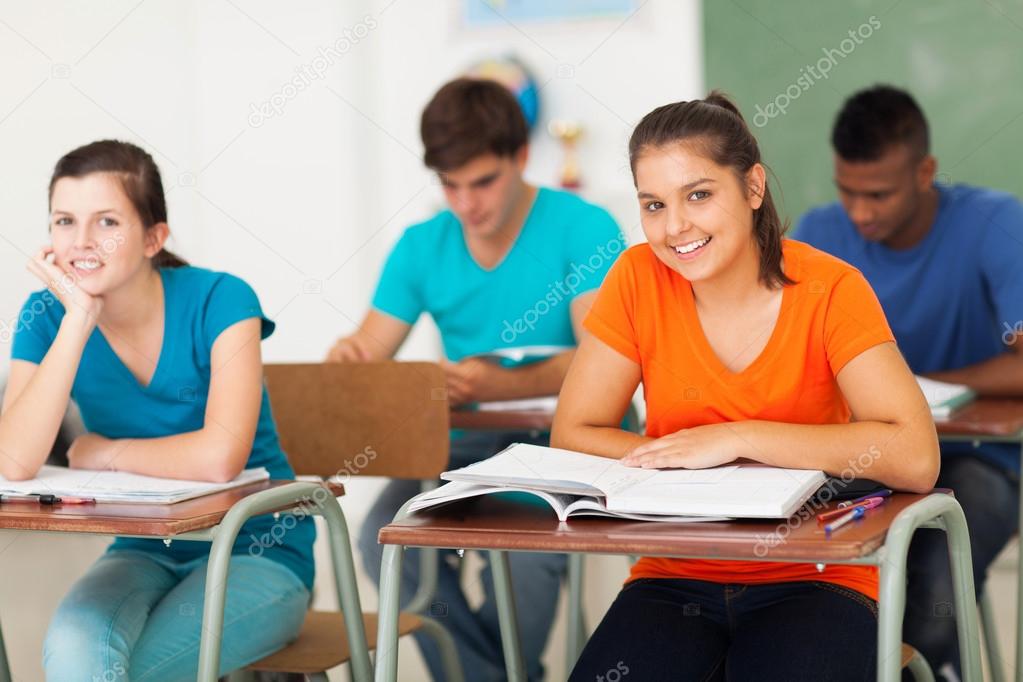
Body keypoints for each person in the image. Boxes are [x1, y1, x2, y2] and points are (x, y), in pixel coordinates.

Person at [554, 92, 939, 682]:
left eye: (699, 195)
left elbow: (915, 457)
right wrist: (681, 462)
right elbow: (573, 433)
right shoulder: (637, 278)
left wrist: (736, 439)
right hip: (676, 575)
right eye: (653, 204)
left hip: (818, 577)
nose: (674, 226)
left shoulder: (831, 289)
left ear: (753, 188)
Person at [329, 77, 624, 681]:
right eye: (450, 185)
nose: (466, 204)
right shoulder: (422, 245)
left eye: (483, 182)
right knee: (383, 539)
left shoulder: (583, 227)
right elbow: (369, 349)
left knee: (522, 562)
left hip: (559, 446)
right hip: (457, 449)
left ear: (520, 158)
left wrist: (493, 384)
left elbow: (607, 360)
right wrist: (351, 360)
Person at [3, 140, 314, 680]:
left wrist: (105, 453)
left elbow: (220, 457)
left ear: (153, 238)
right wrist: (78, 319)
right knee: (76, 649)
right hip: (146, 550)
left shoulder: (223, 300)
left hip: (258, 550)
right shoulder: (47, 315)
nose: (81, 242)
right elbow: (13, 460)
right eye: (64, 221)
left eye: (106, 222)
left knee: (126, 671)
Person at [796, 84, 1023, 680]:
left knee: (938, 575)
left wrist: (913, 389)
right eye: (848, 191)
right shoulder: (817, 235)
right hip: (863, 462)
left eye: (879, 193)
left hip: (980, 460)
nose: (861, 212)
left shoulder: (995, 222)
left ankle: (921, 665)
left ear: (925, 172)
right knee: (793, 563)